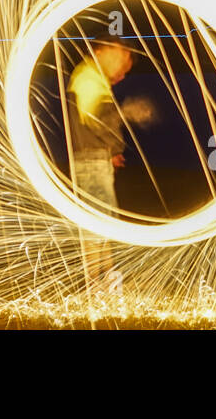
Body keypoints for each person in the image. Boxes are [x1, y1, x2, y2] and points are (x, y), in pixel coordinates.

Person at [65, 40, 135, 294]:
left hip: (94, 158)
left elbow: (94, 121)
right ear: (101, 51)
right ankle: (98, 284)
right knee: (98, 224)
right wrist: (126, 114)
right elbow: (96, 118)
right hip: (90, 161)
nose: (121, 68)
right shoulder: (89, 77)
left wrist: (112, 152)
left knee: (100, 222)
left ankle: (103, 282)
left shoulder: (92, 77)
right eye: (120, 57)